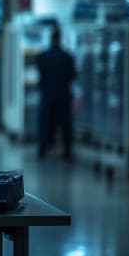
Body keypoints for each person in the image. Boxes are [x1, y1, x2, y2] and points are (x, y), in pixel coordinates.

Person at [36, 27, 76, 161]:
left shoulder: (42, 57)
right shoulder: (67, 57)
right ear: (59, 39)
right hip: (63, 95)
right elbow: (72, 76)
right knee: (65, 125)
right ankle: (67, 152)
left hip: (47, 94)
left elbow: (40, 74)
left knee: (45, 123)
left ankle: (42, 149)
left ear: (51, 39)